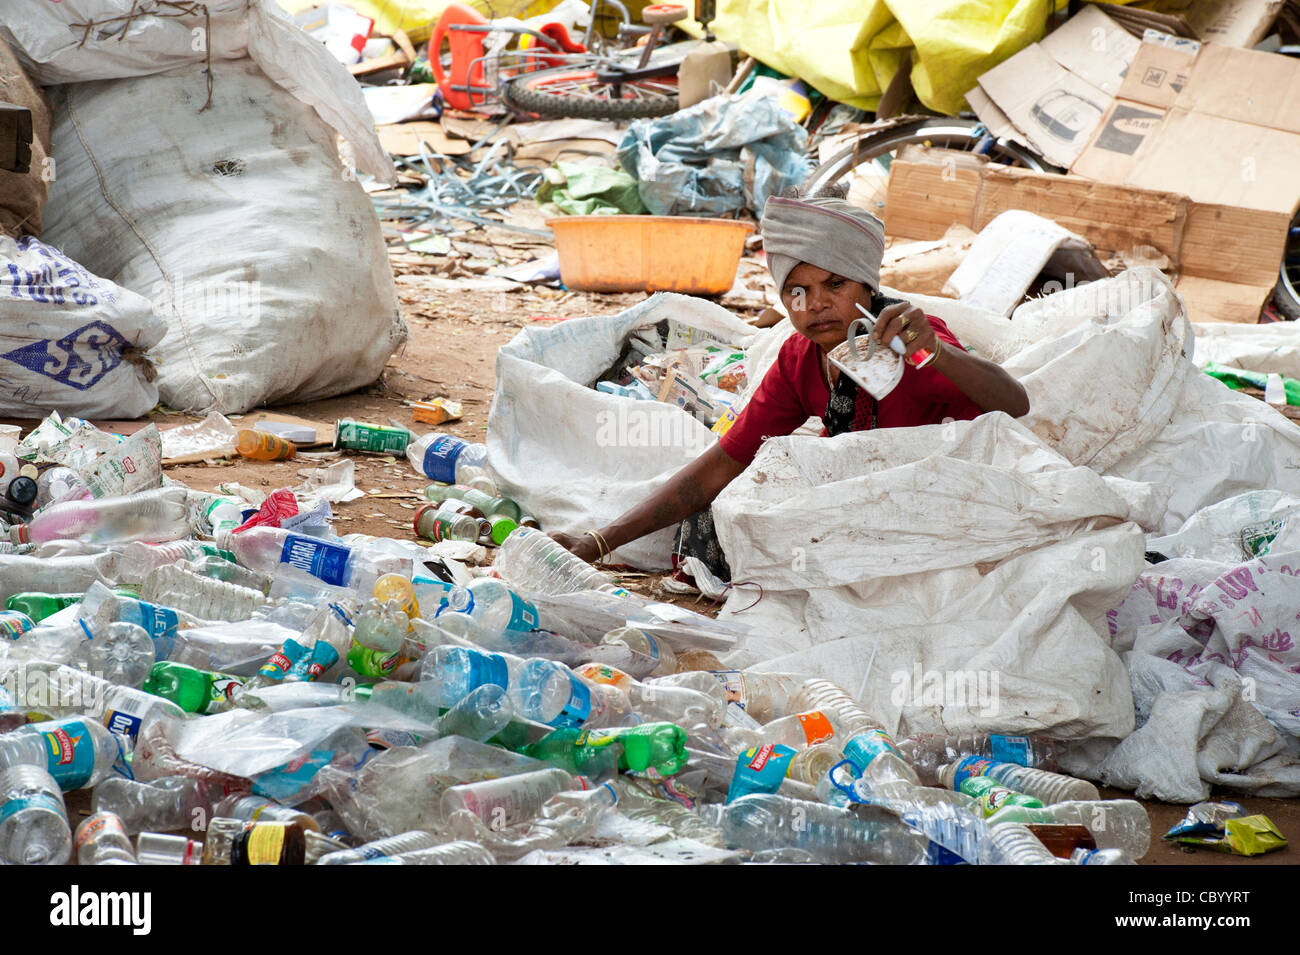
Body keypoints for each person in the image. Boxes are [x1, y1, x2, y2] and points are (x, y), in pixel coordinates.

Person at [551, 189, 1031, 582]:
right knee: (713, 522)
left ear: (867, 287)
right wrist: (599, 541)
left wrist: (934, 353)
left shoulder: (911, 338)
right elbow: (724, 462)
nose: (815, 305)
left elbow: (1015, 402)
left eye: (836, 285)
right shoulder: (800, 360)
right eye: (796, 292)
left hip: (944, 502)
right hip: (857, 503)